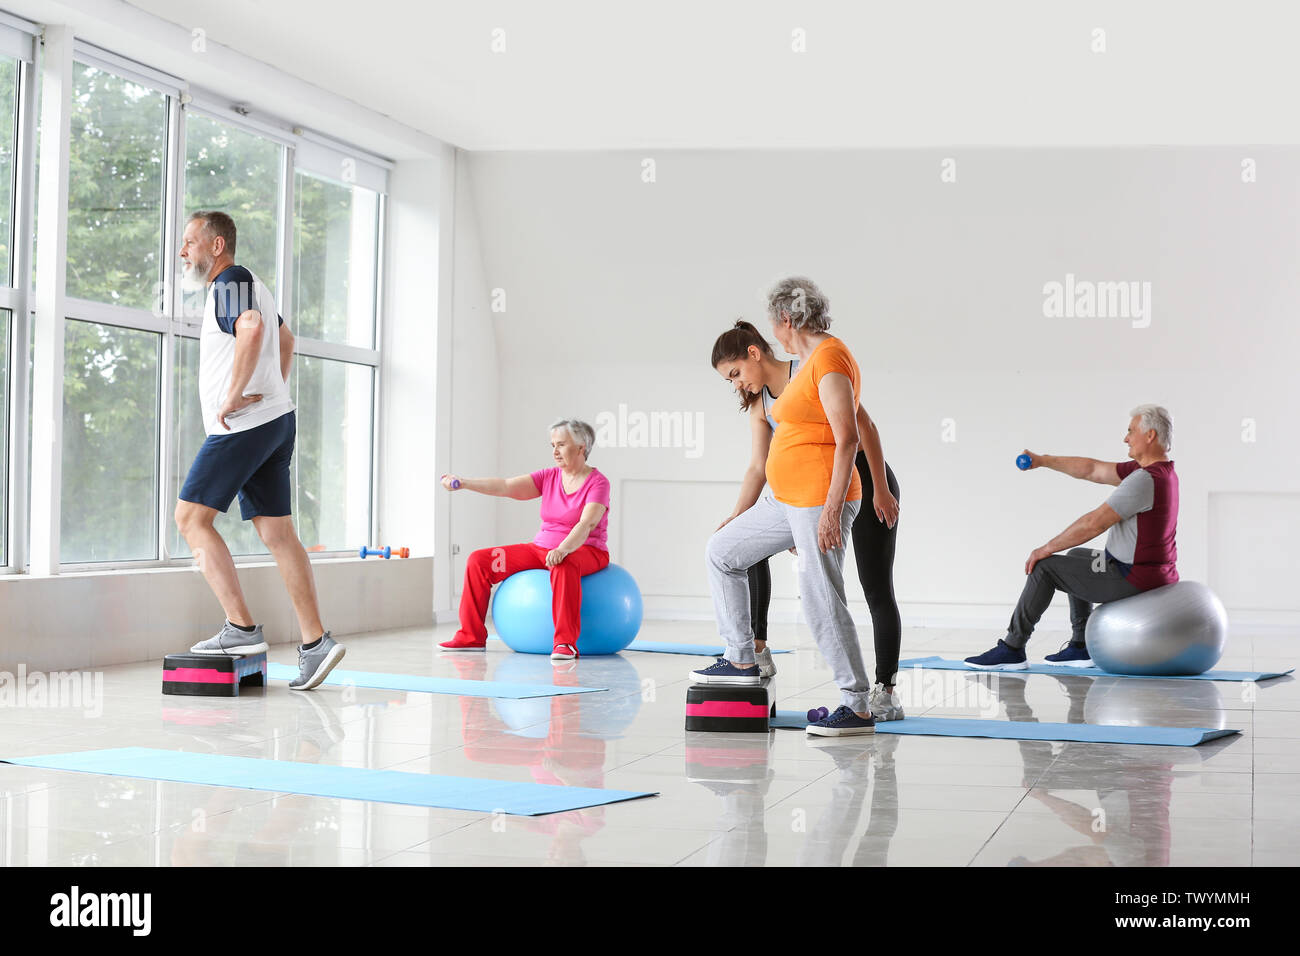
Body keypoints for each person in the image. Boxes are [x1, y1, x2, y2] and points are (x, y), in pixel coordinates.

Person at [696, 277, 879, 737]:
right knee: (722, 552)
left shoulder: (829, 358)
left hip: (818, 498)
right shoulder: (808, 361)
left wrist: (831, 511)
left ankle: (856, 705)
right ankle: (741, 658)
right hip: (785, 500)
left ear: (786, 320)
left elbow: (849, 437)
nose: (773, 331)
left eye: (775, 323)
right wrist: (744, 512)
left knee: (820, 599)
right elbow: (763, 461)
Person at [175, 210, 345, 690]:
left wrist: (235, 395)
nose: (183, 251)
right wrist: (272, 392)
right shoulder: (254, 286)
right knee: (277, 533)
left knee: (190, 519)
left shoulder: (230, 280)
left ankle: (241, 629)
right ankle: (316, 643)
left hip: (244, 426)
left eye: (190, 242)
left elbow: (250, 328)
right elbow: (285, 339)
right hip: (273, 421)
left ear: (217, 245)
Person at [965, 405, 1179, 669]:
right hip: (1145, 571)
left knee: (1045, 567)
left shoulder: (1145, 479)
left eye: (1131, 431)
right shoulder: (1157, 472)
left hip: (1132, 577)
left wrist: (1043, 549)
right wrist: (1043, 460)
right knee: (1077, 556)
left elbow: (1093, 523)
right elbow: (1091, 469)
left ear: (1150, 436)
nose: (1125, 438)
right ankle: (1081, 646)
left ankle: (1012, 648)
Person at [439, 419, 611, 660]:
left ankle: (565, 643)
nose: (554, 452)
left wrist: (563, 549)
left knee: (564, 564)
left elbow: (587, 523)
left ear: (581, 447)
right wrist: (464, 483)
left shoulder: (598, 482)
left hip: (586, 550)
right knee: (479, 561)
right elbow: (505, 486)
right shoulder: (549, 477)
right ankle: (471, 636)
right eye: (552, 445)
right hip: (540, 549)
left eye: (561, 445)